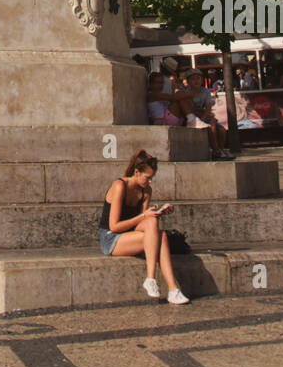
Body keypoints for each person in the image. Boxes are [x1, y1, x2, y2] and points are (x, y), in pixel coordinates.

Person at [99, 150, 189, 304]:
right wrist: (144, 216)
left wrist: (158, 213)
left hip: (129, 234)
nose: (150, 181)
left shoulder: (146, 191)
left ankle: (171, 289)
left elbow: (144, 225)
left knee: (158, 230)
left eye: (152, 178)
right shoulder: (120, 185)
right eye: (148, 178)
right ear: (136, 172)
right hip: (110, 238)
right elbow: (114, 226)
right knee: (160, 236)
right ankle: (154, 279)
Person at [185, 69, 232, 158]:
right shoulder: (186, 92)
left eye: (198, 78)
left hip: (203, 116)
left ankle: (221, 149)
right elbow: (190, 109)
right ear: (188, 82)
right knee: (212, 125)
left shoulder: (205, 91)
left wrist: (203, 118)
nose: (196, 81)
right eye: (193, 79)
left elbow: (208, 108)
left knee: (222, 130)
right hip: (194, 117)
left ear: (202, 80)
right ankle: (215, 150)